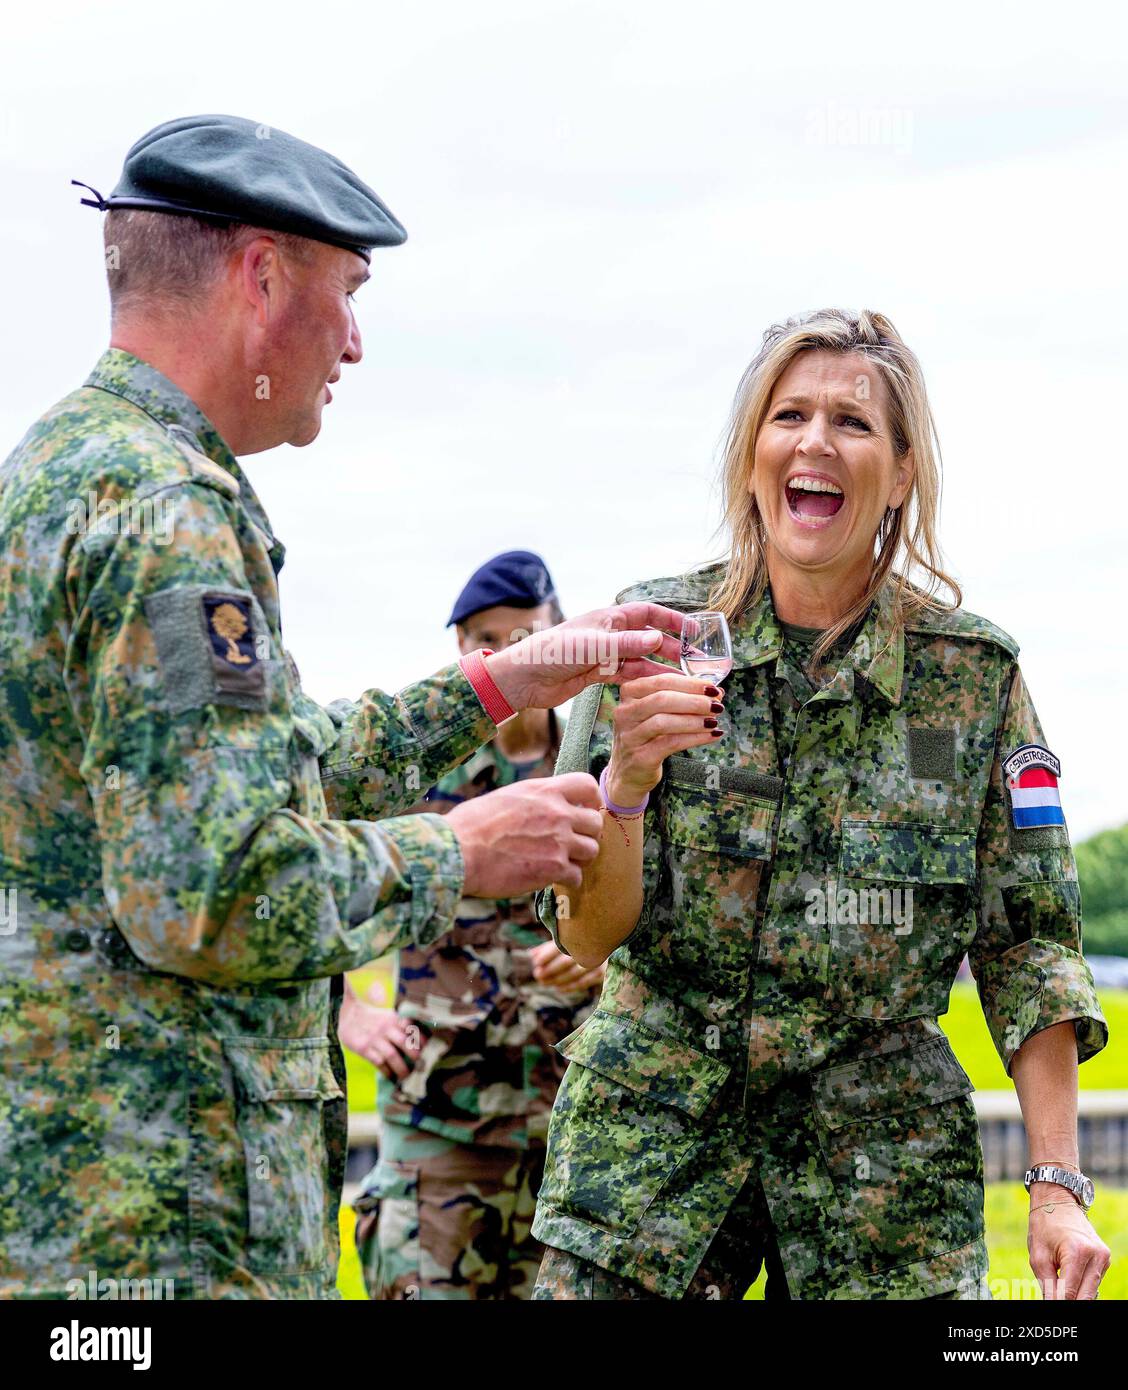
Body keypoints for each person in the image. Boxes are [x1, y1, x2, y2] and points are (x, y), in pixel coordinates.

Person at [0, 114, 684, 1300]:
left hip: (92, 1208)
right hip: (163, 1221)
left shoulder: (79, 465)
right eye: (348, 291)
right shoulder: (170, 510)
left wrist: (502, 679)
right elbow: (211, 894)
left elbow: (270, 770)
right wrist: (460, 848)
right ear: (261, 273)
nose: (356, 345)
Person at [531, 307, 1111, 1301]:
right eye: (789, 414)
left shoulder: (974, 679)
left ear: (902, 469)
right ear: (752, 452)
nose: (815, 441)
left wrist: (1055, 1182)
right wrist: (625, 785)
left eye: (853, 422)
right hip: (647, 1156)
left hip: (879, 1182)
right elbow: (587, 936)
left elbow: (1031, 943)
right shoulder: (652, 637)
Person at [336, 551, 606, 1299]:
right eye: (488, 638)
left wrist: (609, 959)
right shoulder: (416, 773)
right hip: (441, 1123)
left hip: (578, 1127)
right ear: (462, 648)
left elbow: (681, 902)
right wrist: (347, 1011)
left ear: (559, 634)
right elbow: (313, 875)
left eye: (525, 633)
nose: (509, 653)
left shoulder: (603, 762)